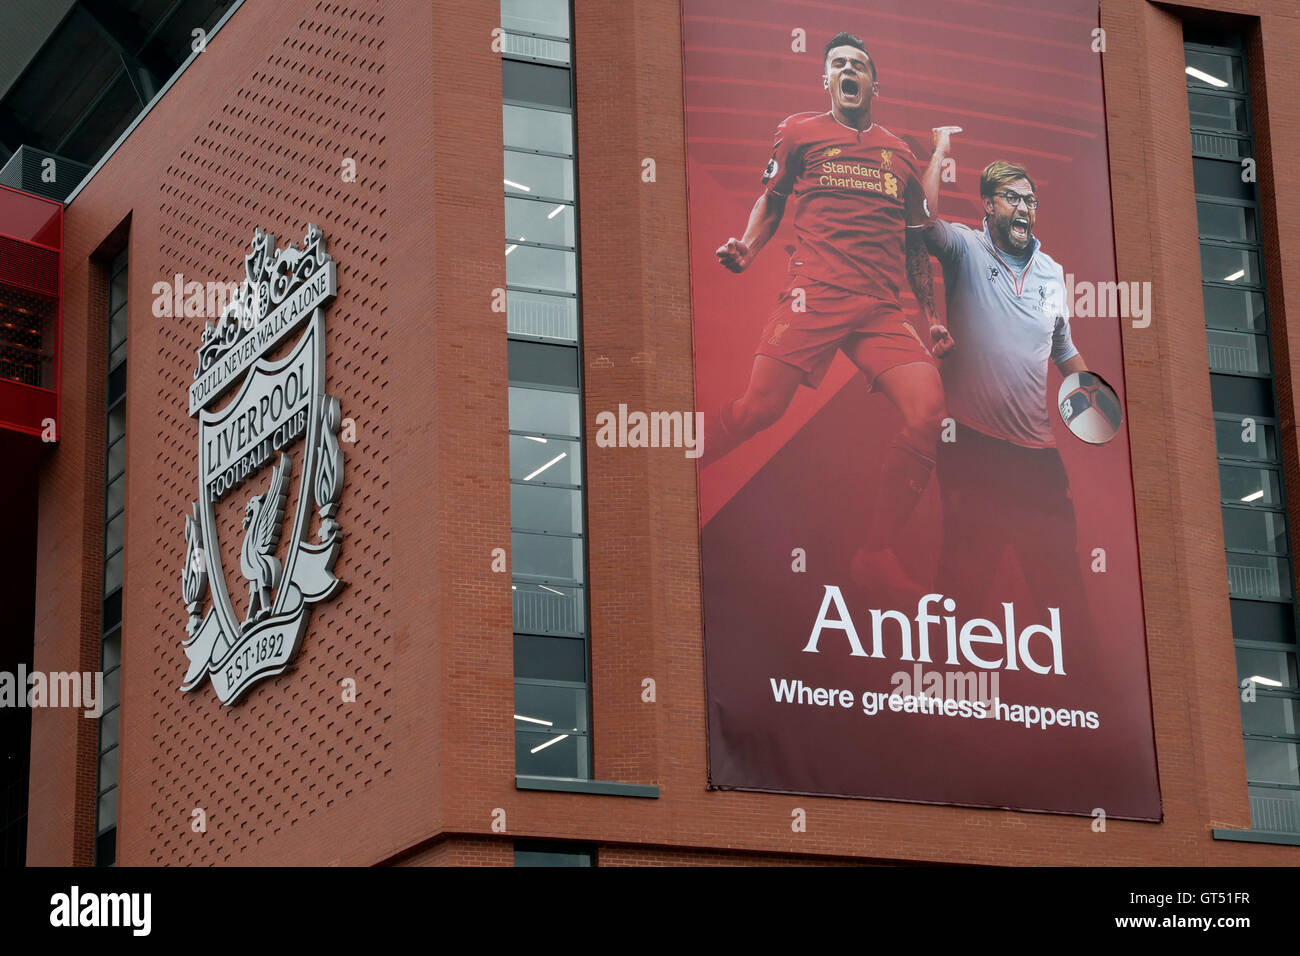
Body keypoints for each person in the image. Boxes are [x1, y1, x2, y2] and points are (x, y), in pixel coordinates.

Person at [704, 31, 951, 590]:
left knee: (928, 407)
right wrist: (747, 246)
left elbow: (919, 234)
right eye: (838, 63)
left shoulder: (899, 154)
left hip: (879, 309)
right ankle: (682, 470)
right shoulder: (799, 133)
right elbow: (771, 198)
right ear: (825, 80)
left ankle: (875, 553)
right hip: (813, 294)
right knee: (758, 411)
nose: (848, 70)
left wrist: (931, 315)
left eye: (858, 65)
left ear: (872, 84)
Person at [920, 154, 1093, 632]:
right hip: (973, 446)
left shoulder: (1051, 272)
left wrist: (1098, 399)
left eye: (1030, 200)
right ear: (988, 205)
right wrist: (938, 153)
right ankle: (940, 687)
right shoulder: (966, 247)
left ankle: (1084, 688)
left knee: (1063, 592)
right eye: (1013, 198)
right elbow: (922, 220)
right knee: (962, 586)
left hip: (1038, 459)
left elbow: (1063, 348)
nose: (1024, 208)